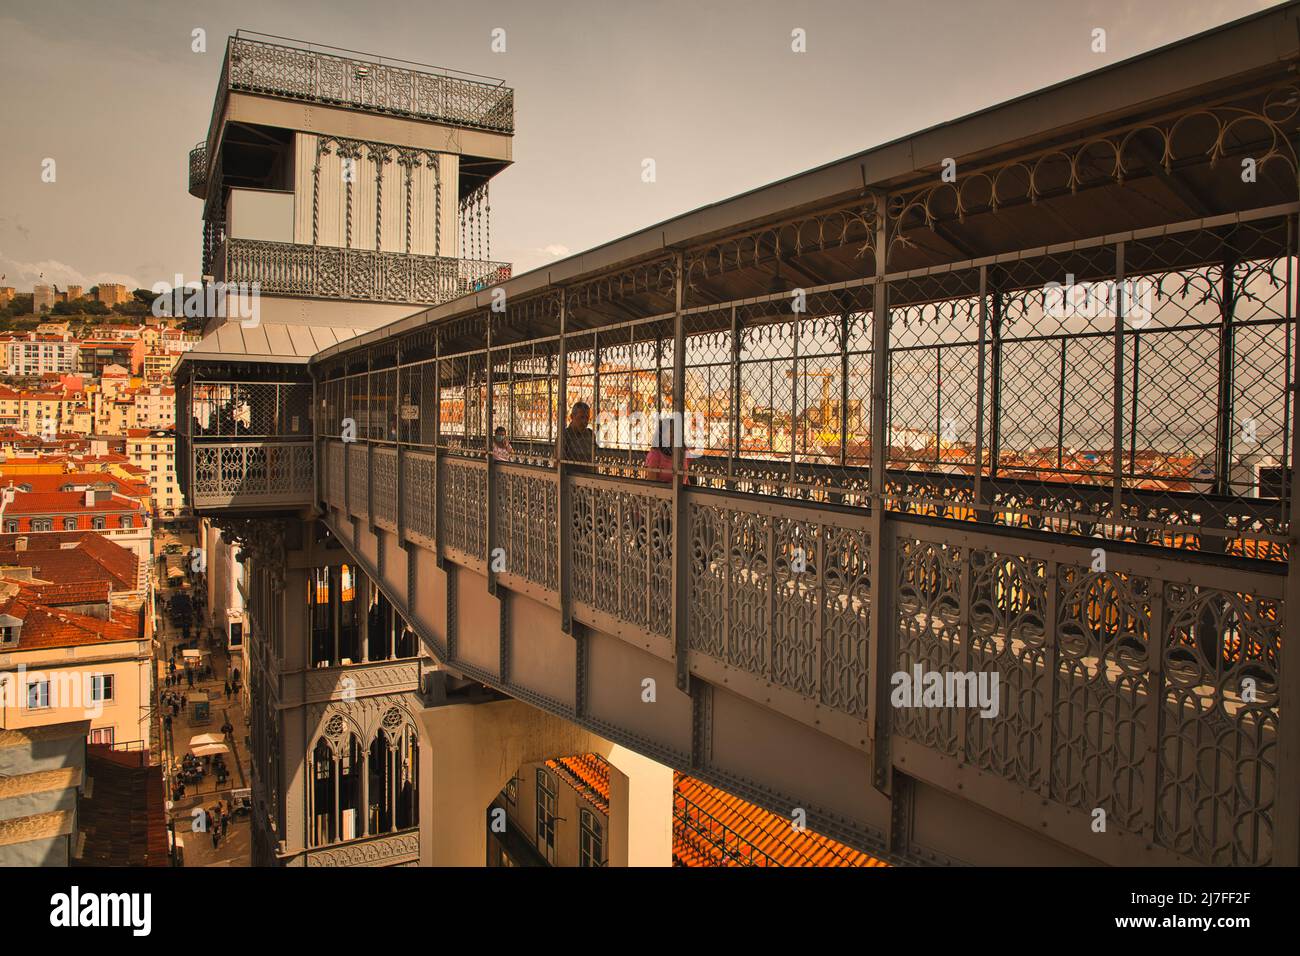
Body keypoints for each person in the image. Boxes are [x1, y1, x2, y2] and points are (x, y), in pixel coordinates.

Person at [644, 416, 688, 485]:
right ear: (662, 434)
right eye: (671, 431)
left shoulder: (681, 451)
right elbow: (651, 482)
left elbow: (684, 477)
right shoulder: (655, 454)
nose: (674, 435)